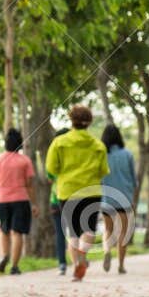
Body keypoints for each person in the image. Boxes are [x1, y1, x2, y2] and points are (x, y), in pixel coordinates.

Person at [45, 105, 109, 281]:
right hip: (91, 191)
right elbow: (103, 170)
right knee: (88, 230)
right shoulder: (98, 145)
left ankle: (76, 267)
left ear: (71, 120)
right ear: (89, 122)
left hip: (67, 191)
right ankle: (83, 254)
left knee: (72, 232)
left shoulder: (59, 143)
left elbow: (51, 168)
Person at [0, 127, 36, 275]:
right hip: (20, 199)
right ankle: (14, 266)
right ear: (20, 143)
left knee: (3, 229)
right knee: (17, 232)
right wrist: (33, 204)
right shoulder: (25, 161)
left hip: (1, 199)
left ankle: (4, 256)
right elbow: (29, 185)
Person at [100, 124, 137, 273]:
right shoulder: (127, 154)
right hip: (124, 198)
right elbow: (134, 179)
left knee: (107, 230)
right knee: (123, 232)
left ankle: (106, 250)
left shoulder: (101, 155)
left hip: (106, 197)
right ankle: (121, 265)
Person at [49, 127, 69, 275]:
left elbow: (49, 176)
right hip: (74, 195)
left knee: (60, 232)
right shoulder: (75, 158)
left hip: (56, 198)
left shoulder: (53, 155)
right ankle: (80, 258)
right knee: (78, 230)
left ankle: (62, 263)